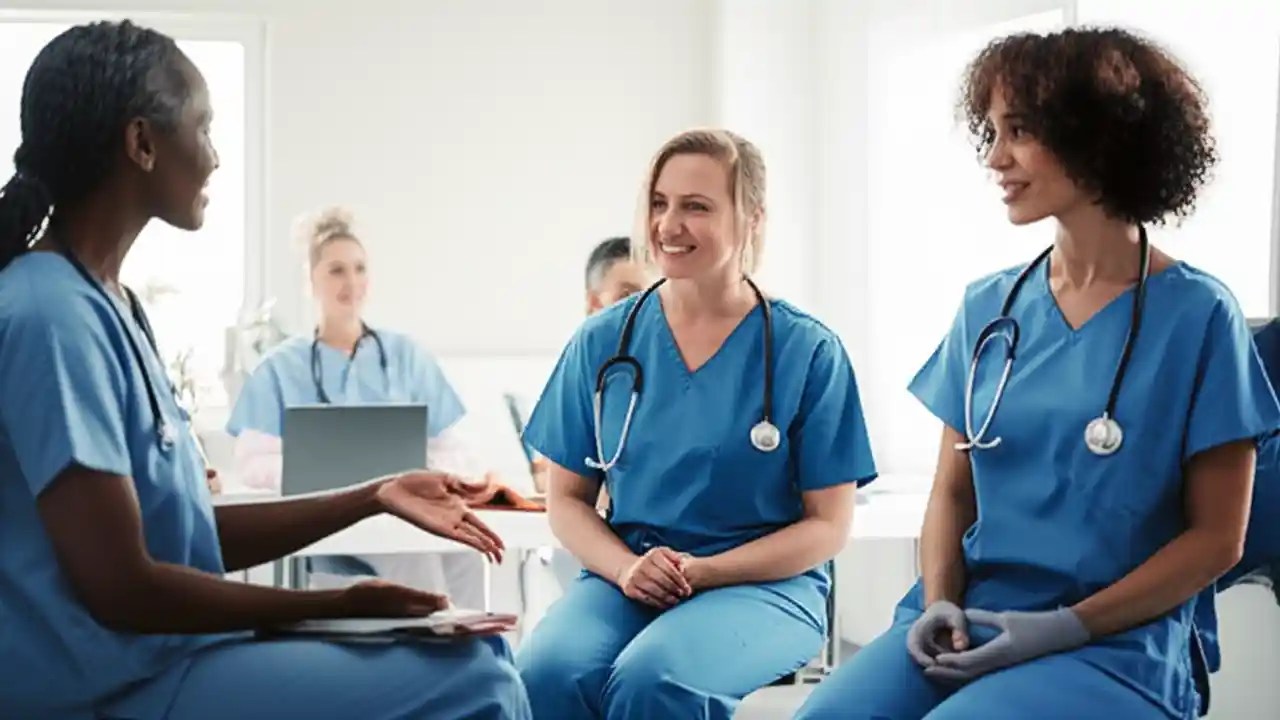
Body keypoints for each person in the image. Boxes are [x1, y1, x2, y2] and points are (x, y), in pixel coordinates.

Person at [0, 20, 529, 720]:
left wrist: (373, 495)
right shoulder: (50, 316)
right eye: (204, 127)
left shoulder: (108, 304)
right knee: (478, 682)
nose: (215, 157)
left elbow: (184, 536)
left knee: (478, 652)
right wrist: (330, 606)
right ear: (142, 143)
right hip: (105, 686)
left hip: (157, 657)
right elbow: (122, 587)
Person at [796, 26, 1280, 720]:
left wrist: (1067, 624)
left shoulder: (1199, 316)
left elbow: (1215, 541)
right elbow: (953, 494)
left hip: (1118, 642)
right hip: (970, 615)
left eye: (1019, 131)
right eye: (990, 132)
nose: (995, 157)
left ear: (1099, 136)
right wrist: (937, 599)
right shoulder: (988, 308)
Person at [514, 128, 878, 719]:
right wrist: (628, 568)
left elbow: (828, 527)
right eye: (660, 204)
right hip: (628, 576)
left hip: (765, 587)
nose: (668, 225)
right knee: (545, 672)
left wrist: (706, 571)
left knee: (653, 679)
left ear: (751, 219)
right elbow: (567, 503)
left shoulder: (806, 350)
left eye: (696, 207)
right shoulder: (604, 342)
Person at [226, 206, 488, 608]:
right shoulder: (279, 368)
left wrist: (416, 471)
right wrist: (339, 477)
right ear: (309, 279)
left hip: (411, 508)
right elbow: (251, 463)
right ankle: (438, 662)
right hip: (329, 519)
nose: (352, 282)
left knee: (469, 551)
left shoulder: (406, 356)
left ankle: (481, 654)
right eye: (336, 270)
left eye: (360, 268)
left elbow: (455, 450)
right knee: (417, 562)